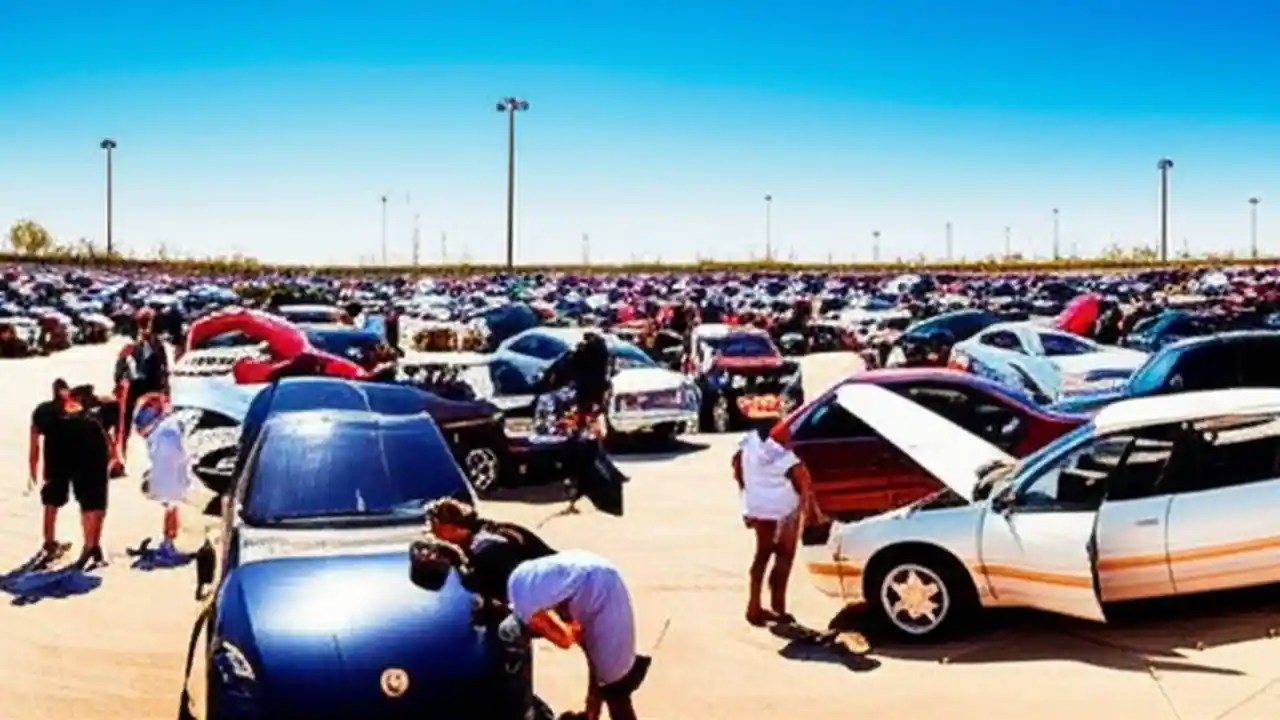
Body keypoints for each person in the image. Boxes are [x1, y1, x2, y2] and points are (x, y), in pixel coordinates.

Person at [507, 549, 648, 720]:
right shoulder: (516, 585)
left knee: (615, 689)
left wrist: (591, 707)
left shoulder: (531, 609)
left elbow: (568, 640)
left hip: (603, 590)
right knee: (606, 675)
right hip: (591, 569)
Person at [732, 420, 824, 626]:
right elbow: (802, 483)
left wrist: (748, 497)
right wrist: (809, 512)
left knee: (761, 555)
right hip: (785, 511)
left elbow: (738, 473)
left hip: (758, 508)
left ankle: (754, 606)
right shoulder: (786, 453)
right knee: (783, 557)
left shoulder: (746, 443)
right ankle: (778, 608)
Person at [29, 378, 112, 568]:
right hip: (76, 461)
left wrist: (33, 467)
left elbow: (34, 442)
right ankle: (91, 545)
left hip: (55, 462)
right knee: (86, 503)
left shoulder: (43, 411)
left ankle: (50, 542)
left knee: (51, 502)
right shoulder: (81, 411)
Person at [133, 392, 192, 565]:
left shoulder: (157, 426)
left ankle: (168, 543)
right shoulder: (169, 427)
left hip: (163, 473)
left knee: (171, 508)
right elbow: (178, 451)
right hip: (169, 474)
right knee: (172, 508)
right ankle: (168, 545)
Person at [116, 310, 170, 460]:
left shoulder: (156, 344)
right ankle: (121, 455)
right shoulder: (131, 346)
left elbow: (163, 368)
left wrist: (165, 390)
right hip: (136, 387)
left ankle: (153, 456)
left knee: (153, 423)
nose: (147, 326)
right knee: (125, 423)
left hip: (151, 387)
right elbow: (121, 368)